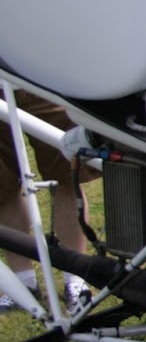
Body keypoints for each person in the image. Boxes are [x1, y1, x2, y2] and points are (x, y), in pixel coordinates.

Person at [0, 90, 97, 311]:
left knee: (66, 176)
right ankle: (23, 283)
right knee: (2, 189)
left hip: (35, 79)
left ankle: (75, 279)